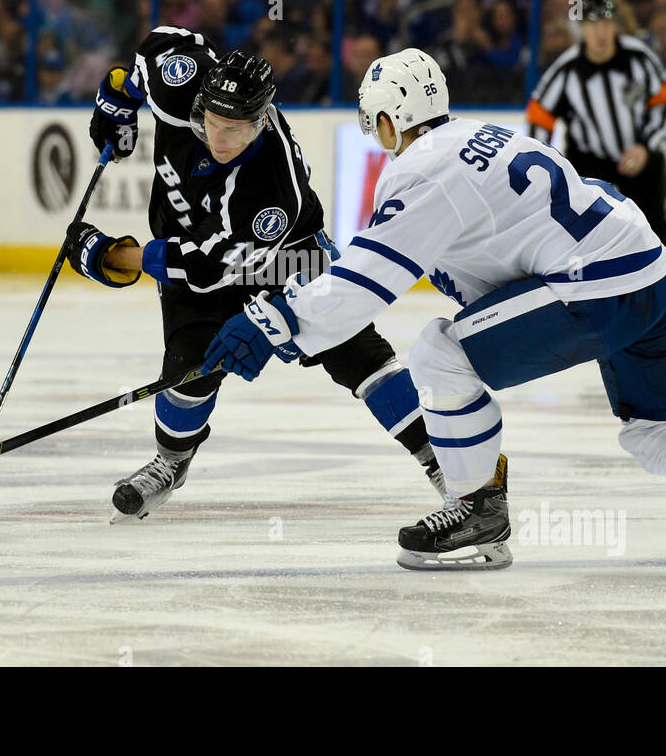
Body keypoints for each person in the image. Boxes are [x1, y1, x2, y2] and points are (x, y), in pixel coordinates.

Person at [203, 48, 666, 574]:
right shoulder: (485, 139)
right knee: (659, 432)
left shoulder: (424, 170)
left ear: (388, 119)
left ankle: (477, 513)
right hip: (650, 272)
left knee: (440, 352)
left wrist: (277, 321)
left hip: (597, 287)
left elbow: (374, 277)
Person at [74, 27, 442, 522]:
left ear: (264, 119)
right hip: (200, 252)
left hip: (287, 261)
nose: (221, 139)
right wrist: (115, 101)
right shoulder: (178, 80)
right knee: (186, 373)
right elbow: (153, 49)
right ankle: (171, 462)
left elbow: (207, 268)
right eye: (213, 123)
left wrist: (112, 256)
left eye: (238, 129)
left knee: (361, 358)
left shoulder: (273, 186)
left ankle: (445, 466)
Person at [527, 0, 666, 244]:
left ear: (615, 26)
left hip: (639, 156)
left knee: (654, 228)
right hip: (589, 163)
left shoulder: (638, 58)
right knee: (584, 234)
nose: (601, 33)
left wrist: (645, 146)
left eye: (607, 24)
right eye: (593, 25)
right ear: (583, 29)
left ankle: (657, 279)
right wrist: (549, 168)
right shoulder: (566, 70)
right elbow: (538, 117)